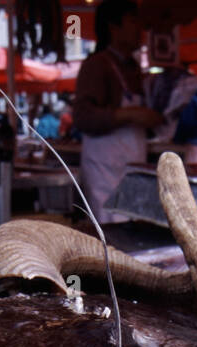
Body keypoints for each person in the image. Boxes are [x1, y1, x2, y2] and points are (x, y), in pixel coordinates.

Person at [74, 0, 164, 223]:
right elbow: (83, 117)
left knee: (134, 229)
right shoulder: (96, 65)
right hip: (105, 172)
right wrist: (131, 114)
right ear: (113, 26)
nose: (140, 29)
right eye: (133, 21)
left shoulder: (133, 68)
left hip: (132, 168)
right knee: (112, 235)